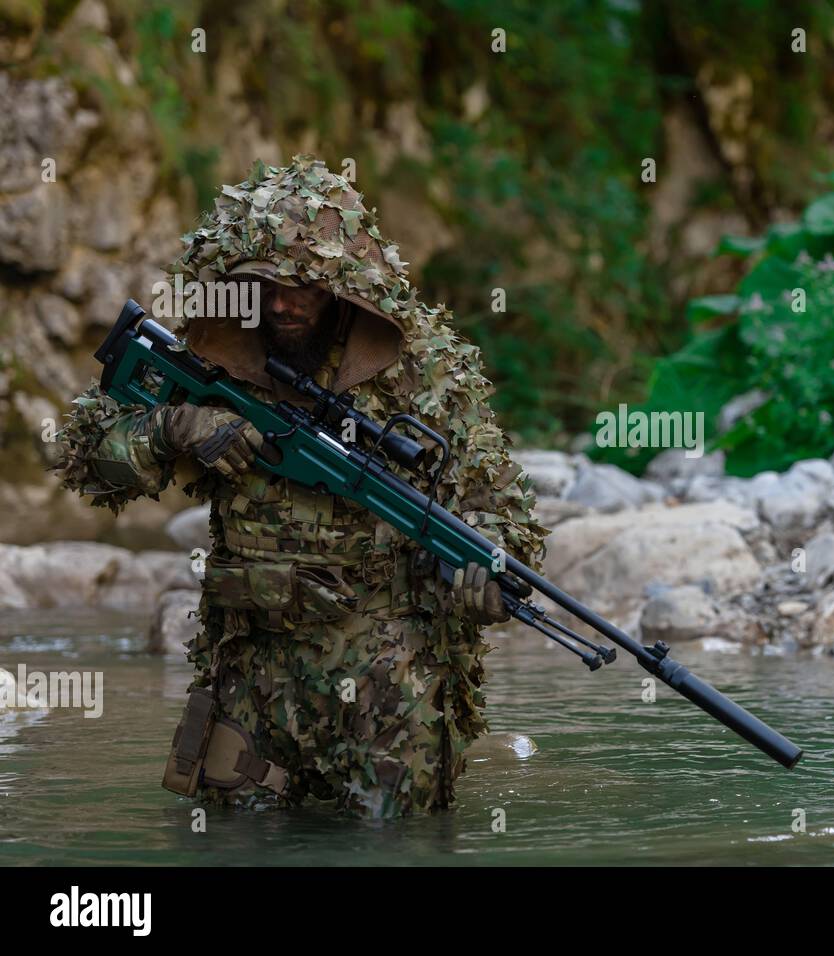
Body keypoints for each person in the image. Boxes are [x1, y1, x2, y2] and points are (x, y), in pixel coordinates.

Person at [55, 156, 547, 816]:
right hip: (250, 671)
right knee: (228, 848)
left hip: (386, 680)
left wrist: (489, 568)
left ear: (345, 290)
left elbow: (492, 498)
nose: (283, 304)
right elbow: (83, 458)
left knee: (394, 851)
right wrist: (173, 428)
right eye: (266, 286)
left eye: (306, 288)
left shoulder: (424, 366)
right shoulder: (201, 344)